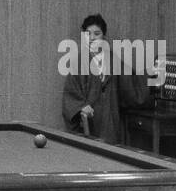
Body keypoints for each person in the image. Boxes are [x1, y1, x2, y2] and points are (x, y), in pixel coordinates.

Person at [61, 14, 150, 144]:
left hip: (110, 123)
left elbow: (131, 85)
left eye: (97, 34)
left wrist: (152, 78)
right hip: (89, 124)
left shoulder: (114, 61)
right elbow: (70, 94)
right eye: (88, 34)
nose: (92, 38)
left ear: (104, 36)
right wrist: (81, 107)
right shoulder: (78, 63)